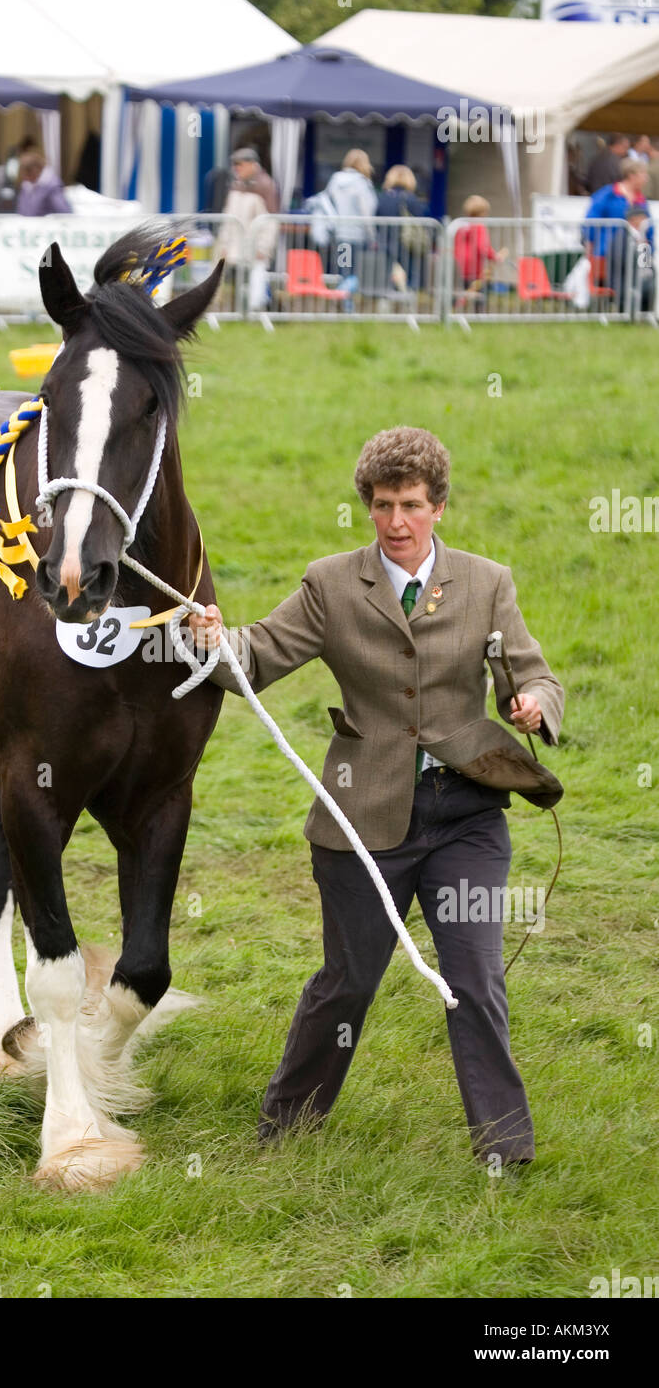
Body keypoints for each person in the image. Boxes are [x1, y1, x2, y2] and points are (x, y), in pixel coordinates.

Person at [190, 426, 564, 1166]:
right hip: (362, 821)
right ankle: (285, 1129)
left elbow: (536, 675)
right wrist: (210, 639)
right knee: (347, 982)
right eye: (384, 505)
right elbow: (255, 658)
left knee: (474, 979)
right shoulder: (330, 583)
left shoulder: (487, 582)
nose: (397, 522)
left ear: (439, 507)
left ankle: (503, 1151)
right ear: (366, 505)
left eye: (413, 506)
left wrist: (534, 707)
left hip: (466, 818)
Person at [215, 148, 279, 310]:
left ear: (252, 164)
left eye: (240, 164)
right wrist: (224, 244)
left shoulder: (265, 185)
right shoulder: (236, 185)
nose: (237, 168)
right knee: (238, 282)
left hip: (255, 245)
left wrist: (263, 247)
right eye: (235, 165)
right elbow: (228, 219)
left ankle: (257, 311)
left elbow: (270, 221)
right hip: (235, 245)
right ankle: (239, 311)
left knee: (256, 282)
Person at [584, 157, 651, 303]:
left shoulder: (641, 199)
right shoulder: (608, 194)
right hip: (608, 249)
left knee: (646, 274)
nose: (646, 178)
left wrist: (650, 248)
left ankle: (640, 305)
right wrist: (589, 243)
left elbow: (648, 227)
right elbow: (591, 219)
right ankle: (624, 304)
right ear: (632, 175)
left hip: (637, 249)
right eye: (643, 174)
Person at [324, 148, 378, 280]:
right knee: (355, 272)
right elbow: (367, 212)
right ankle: (349, 299)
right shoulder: (362, 183)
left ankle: (344, 298)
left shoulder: (335, 180)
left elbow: (327, 203)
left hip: (340, 234)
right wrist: (372, 236)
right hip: (358, 236)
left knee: (343, 269)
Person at [375, 164, 429, 293]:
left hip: (386, 245)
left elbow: (376, 220)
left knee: (387, 280)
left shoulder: (383, 198)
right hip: (407, 246)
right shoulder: (411, 199)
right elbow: (421, 222)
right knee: (410, 280)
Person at [452, 195, 508, 306]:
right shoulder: (479, 227)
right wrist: (495, 257)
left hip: (460, 266)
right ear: (483, 212)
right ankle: (479, 315)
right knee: (480, 295)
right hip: (474, 268)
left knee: (463, 293)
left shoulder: (461, 225)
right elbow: (482, 247)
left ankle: (460, 311)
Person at [16, 150, 71, 216]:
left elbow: (64, 212)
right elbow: (22, 210)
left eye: (26, 174)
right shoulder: (27, 185)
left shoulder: (52, 187)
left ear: (35, 170)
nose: (24, 177)